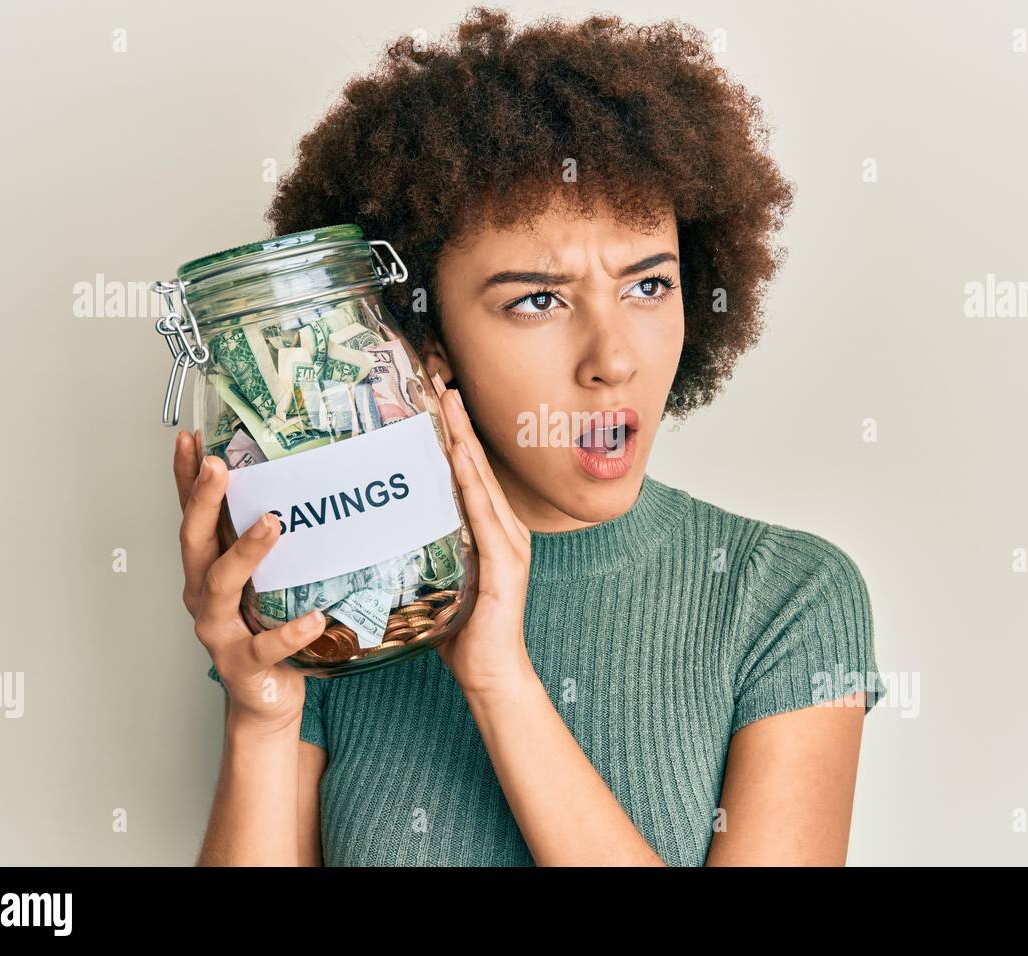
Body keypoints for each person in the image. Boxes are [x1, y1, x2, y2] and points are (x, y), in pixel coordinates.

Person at [173, 6, 886, 866]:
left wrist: (498, 677)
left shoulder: (786, 597)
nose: (612, 357)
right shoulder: (341, 605)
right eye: (537, 300)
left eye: (649, 285)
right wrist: (260, 714)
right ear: (421, 343)